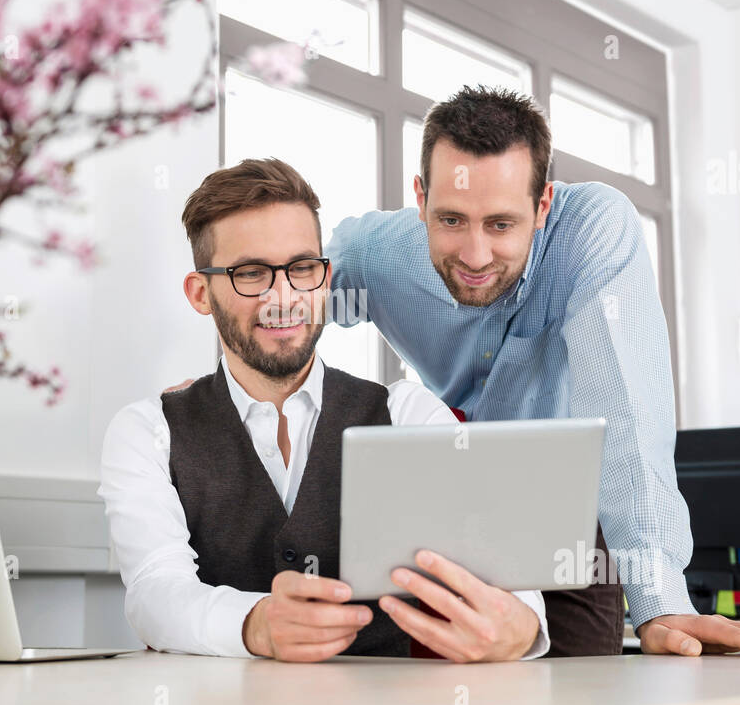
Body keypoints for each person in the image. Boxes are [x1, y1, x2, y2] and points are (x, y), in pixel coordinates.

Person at [326, 84, 740, 658]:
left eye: (501, 225)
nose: (474, 255)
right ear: (420, 197)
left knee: (583, 692)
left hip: (564, 510)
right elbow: (283, 303)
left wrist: (660, 599)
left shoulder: (590, 232)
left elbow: (623, 410)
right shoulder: (375, 253)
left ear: (542, 205)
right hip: (445, 492)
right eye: (451, 219)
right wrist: (218, 393)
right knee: (416, 681)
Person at [98, 157, 549, 662]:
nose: (283, 297)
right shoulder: (147, 431)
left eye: (301, 269)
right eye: (250, 273)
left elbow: (493, 551)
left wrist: (524, 625)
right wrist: (255, 625)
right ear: (201, 293)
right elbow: (155, 591)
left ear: (325, 276)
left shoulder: (406, 412)